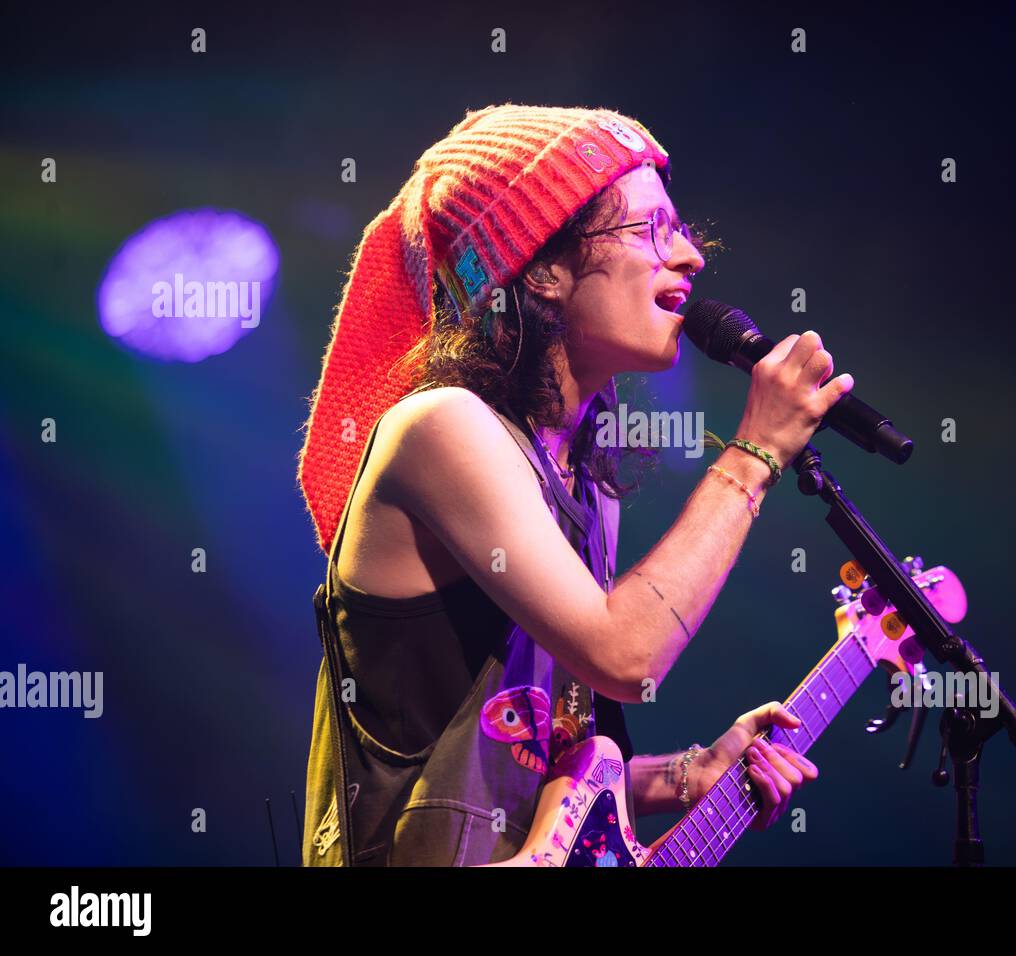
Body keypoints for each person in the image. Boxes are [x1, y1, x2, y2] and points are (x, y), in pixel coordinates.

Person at [297, 104, 854, 866]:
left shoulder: (587, 479)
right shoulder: (442, 428)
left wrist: (691, 774)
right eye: (649, 230)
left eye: (682, 229)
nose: (689, 256)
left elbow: (544, 754)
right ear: (542, 267)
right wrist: (754, 452)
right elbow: (625, 657)